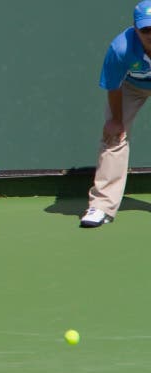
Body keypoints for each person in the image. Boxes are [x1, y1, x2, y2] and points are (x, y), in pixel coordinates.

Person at [82, 1, 151, 227]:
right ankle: (101, 206)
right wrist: (116, 121)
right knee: (114, 136)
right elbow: (114, 86)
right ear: (135, 28)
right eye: (146, 29)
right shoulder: (120, 48)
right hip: (131, 87)